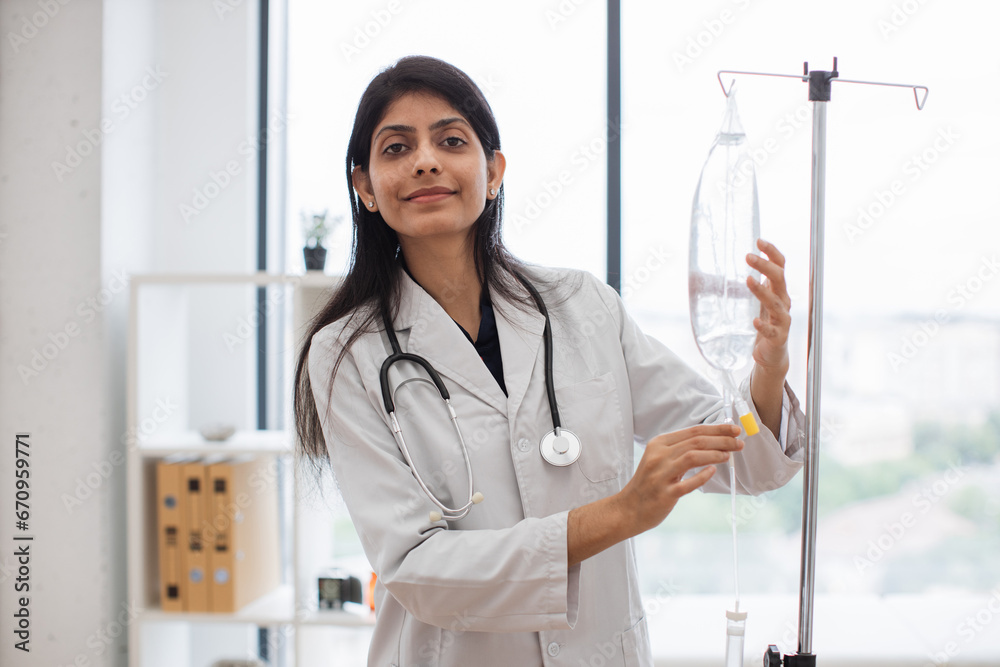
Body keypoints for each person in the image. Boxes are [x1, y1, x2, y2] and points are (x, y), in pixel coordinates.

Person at [294, 54, 805, 666]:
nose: (425, 160)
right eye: (397, 148)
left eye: (451, 140)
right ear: (365, 188)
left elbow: (740, 460)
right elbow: (417, 569)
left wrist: (769, 369)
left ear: (493, 171)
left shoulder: (583, 305)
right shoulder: (346, 353)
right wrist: (620, 513)